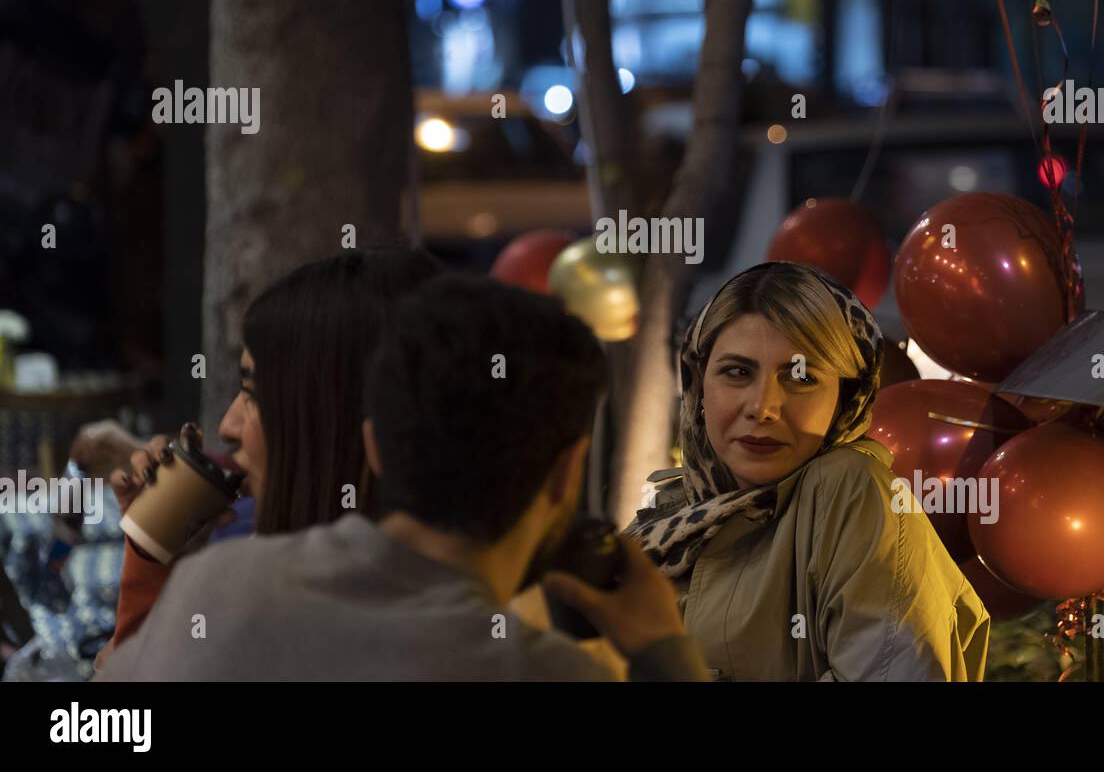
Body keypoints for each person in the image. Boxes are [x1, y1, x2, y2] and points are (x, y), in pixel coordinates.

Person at [97, 274, 707, 680]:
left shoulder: (221, 588)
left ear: (374, 445)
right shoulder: (552, 671)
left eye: (254, 394)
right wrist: (662, 650)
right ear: (565, 472)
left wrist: (154, 559)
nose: (229, 425)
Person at [627, 261, 991, 681]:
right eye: (737, 372)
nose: (763, 407)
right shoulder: (672, 517)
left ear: (846, 397)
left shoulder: (848, 487)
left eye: (800, 377)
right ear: (698, 384)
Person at [94, 247, 445, 657]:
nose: (227, 427)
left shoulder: (253, 604)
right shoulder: (242, 535)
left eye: (254, 395)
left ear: (345, 425)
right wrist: (155, 546)